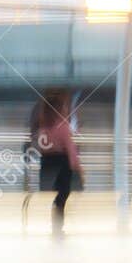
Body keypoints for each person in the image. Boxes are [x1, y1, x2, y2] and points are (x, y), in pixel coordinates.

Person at [30, 91, 81, 239]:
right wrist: (77, 168)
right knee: (61, 198)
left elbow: (36, 147)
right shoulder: (63, 127)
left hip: (46, 163)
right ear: (58, 109)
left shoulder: (42, 128)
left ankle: (52, 226)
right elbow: (71, 149)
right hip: (62, 164)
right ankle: (57, 228)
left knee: (52, 197)